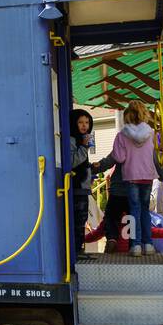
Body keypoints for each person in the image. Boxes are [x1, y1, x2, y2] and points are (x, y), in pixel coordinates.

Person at [98, 102, 163, 256]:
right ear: (144, 115)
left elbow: (119, 157)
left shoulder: (122, 135)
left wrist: (99, 166)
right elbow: (154, 158)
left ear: (126, 116)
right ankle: (148, 245)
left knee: (134, 211)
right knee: (145, 211)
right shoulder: (150, 133)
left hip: (131, 177)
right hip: (148, 178)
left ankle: (136, 246)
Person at [69, 109, 96, 259]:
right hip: (76, 187)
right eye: (80, 122)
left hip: (83, 188)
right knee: (78, 220)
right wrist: (84, 147)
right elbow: (73, 161)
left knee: (82, 220)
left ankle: (79, 248)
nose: (84, 125)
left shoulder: (81, 139)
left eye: (87, 122)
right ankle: (76, 251)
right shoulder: (73, 140)